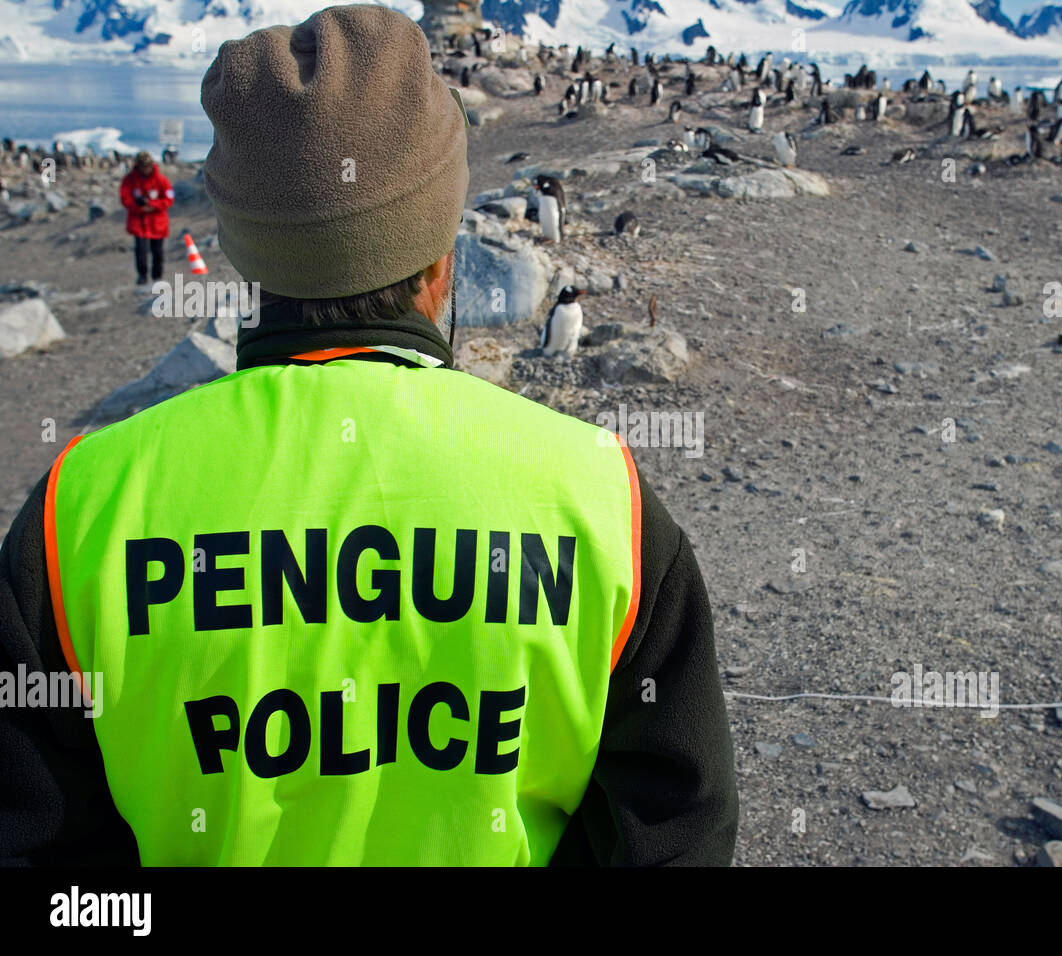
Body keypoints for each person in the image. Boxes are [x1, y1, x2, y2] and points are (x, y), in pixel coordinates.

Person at [0, 4, 737, 867]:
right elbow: (678, 828)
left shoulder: (80, 511)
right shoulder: (599, 499)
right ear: (440, 256)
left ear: (246, 252)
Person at [118, 150, 174, 285]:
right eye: (143, 166)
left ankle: (157, 277)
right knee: (141, 251)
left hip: (157, 222)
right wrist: (139, 207)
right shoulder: (130, 180)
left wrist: (152, 204)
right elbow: (125, 198)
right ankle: (142, 276)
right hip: (139, 222)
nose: (146, 168)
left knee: (158, 252)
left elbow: (169, 198)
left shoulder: (161, 180)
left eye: (148, 165)